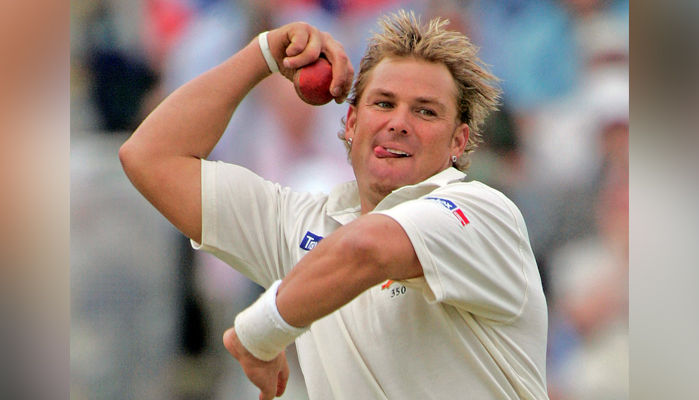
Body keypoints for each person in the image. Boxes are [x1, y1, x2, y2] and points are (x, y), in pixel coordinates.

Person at [120, 10, 550, 400]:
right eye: (383, 103)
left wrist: (258, 334)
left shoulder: (482, 211)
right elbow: (149, 157)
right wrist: (265, 55)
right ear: (350, 123)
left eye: (425, 112)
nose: (398, 122)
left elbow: (368, 248)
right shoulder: (304, 224)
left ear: (458, 141)